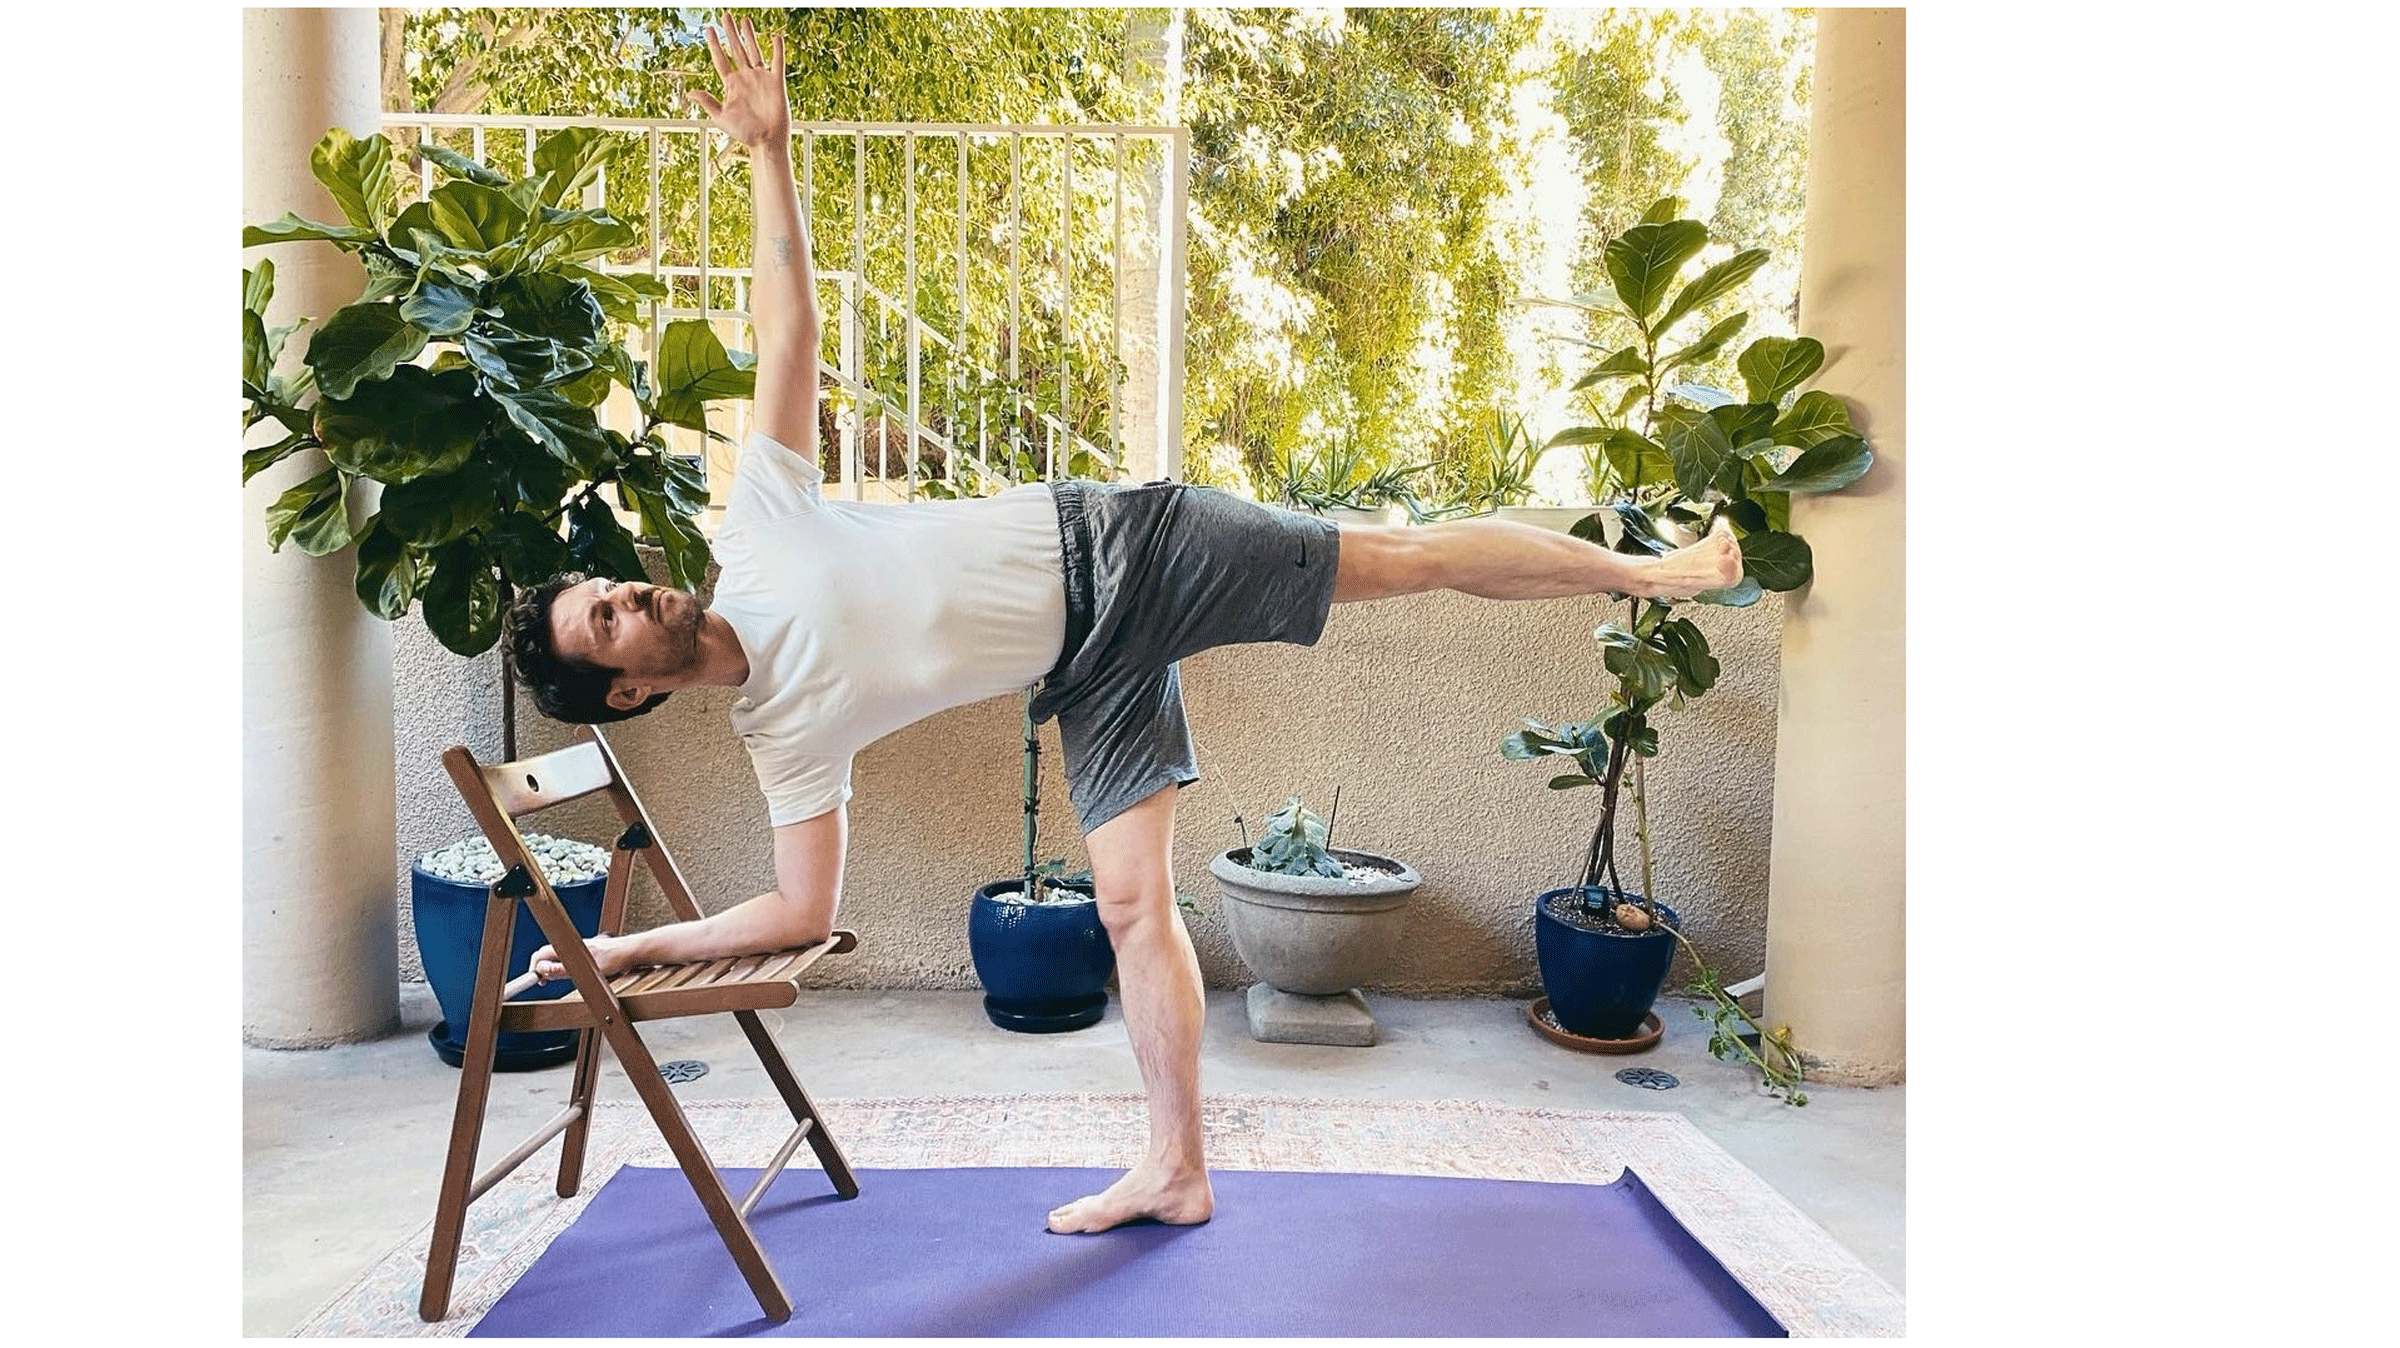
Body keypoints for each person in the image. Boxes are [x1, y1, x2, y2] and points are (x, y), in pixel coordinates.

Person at [513, 13, 1743, 1237]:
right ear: (625, 690)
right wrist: (627, 954)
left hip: (1125, 545)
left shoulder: (754, 527)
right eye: (606, 623)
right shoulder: (781, 733)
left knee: (1402, 558)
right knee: (1129, 907)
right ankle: (1176, 1168)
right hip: (1080, 668)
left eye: (610, 588)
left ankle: (1641, 573)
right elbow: (793, 914)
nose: (630, 595)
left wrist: (770, 151)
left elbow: (792, 330)